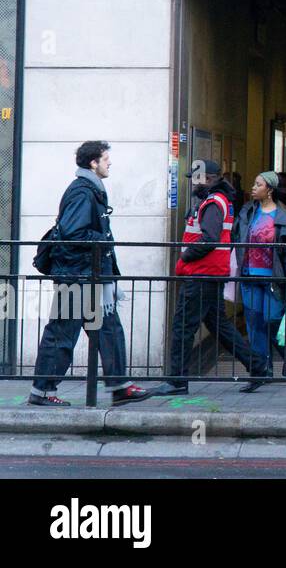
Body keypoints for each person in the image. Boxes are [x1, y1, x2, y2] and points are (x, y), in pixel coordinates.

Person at [29, 142, 150, 407]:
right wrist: (104, 239)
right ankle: (42, 391)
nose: (110, 164)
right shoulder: (82, 192)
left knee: (110, 331)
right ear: (93, 163)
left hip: (88, 275)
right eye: (106, 159)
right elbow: (73, 232)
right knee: (62, 333)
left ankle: (120, 387)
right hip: (77, 276)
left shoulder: (90, 189)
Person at [149, 160, 271, 396]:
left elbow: (210, 238)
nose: (193, 183)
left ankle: (176, 381)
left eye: (196, 178)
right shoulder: (217, 200)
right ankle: (258, 367)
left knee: (183, 326)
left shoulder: (213, 203)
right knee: (219, 325)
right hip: (210, 273)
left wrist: (186, 256)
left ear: (208, 178)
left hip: (201, 273)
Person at [233, 170, 286, 378]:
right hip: (250, 276)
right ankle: (262, 370)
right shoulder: (247, 212)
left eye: (258, 185)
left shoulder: (283, 215)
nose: (253, 188)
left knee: (273, 320)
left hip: (274, 278)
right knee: (255, 324)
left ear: (270, 190)